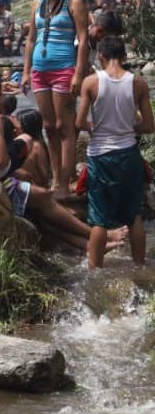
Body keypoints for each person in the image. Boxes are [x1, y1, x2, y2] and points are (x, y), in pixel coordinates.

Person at [0, 76, 119, 252]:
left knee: (38, 213)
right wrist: (20, 144)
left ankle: (90, 245)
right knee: (44, 197)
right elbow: (3, 162)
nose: (1, 101)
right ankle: (97, 236)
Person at [76, 36, 154, 268]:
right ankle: (140, 266)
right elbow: (149, 126)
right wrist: (130, 127)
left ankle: (95, 270)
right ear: (124, 56)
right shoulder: (138, 83)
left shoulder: (90, 82)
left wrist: (97, 127)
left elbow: (80, 123)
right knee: (134, 214)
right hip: (128, 154)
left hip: (100, 155)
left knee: (99, 219)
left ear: (100, 56)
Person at [21, 0, 89, 199]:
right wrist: (26, 71)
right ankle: (56, 177)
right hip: (40, 70)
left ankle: (64, 181)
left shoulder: (75, 2)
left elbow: (83, 41)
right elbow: (30, 40)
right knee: (48, 126)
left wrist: (79, 73)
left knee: (64, 127)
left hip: (65, 68)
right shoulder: (36, 4)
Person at [15, 109, 51, 188]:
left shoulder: (36, 146)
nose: (15, 129)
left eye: (17, 126)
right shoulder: (34, 144)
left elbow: (44, 174)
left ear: (25, 127)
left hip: (34, 187)